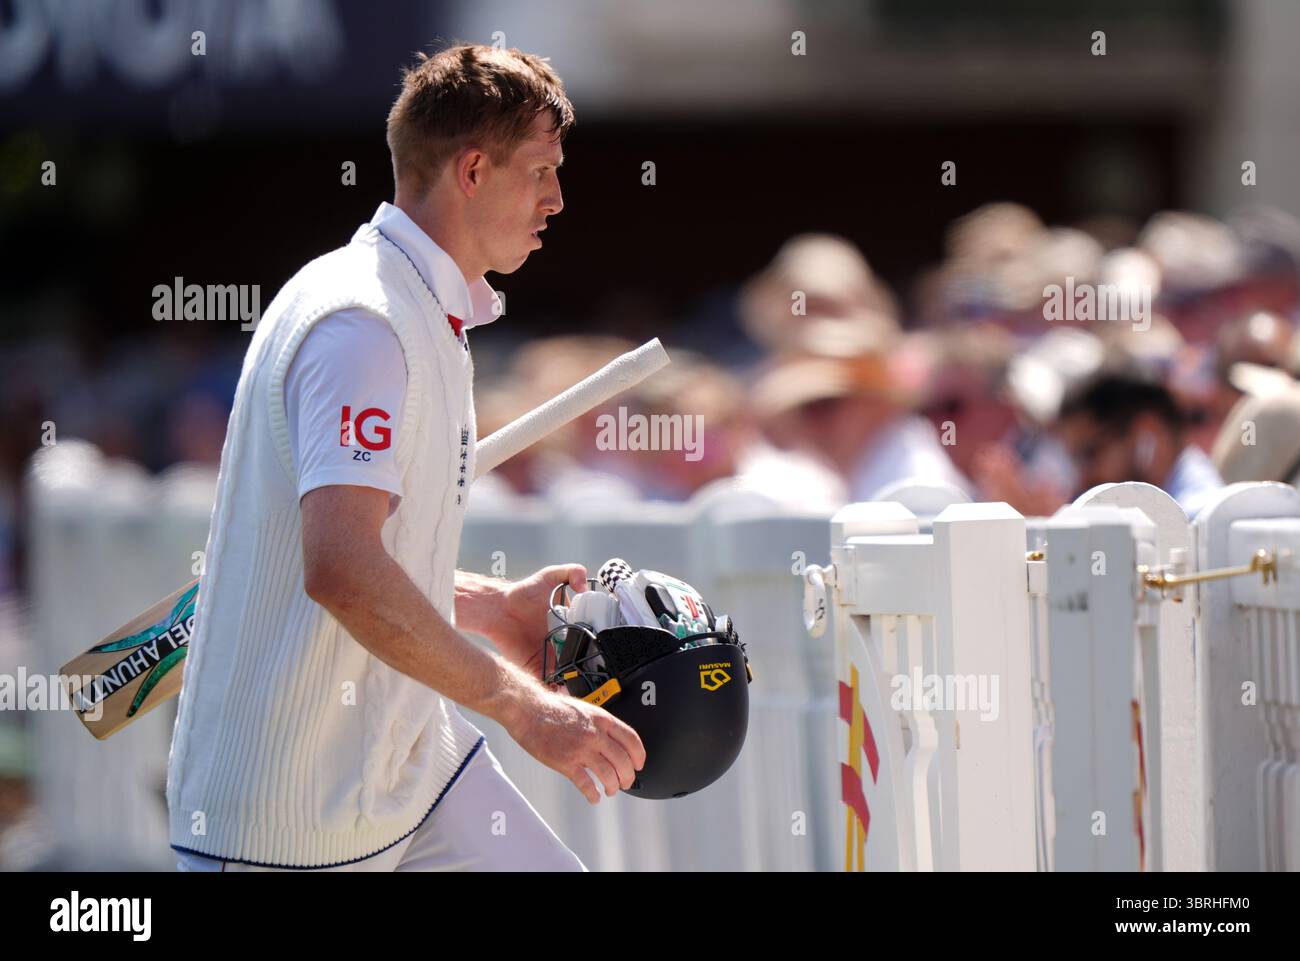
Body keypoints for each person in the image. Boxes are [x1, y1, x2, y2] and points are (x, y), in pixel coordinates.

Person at [168, 43, 644, 873]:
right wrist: (521, 707)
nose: (557, 199)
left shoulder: (414, 307)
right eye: (539, 171)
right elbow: (342, 568)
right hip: (291, 813)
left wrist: (492, 605)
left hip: (404, 760)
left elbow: (364, 562)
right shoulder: (367, 324)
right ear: (471, 171)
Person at [1056, 372, 1223, 520]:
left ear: (1147, 431)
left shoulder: (1197, 517)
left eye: (1090, 453)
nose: (1084, 476)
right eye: (1074, 460)